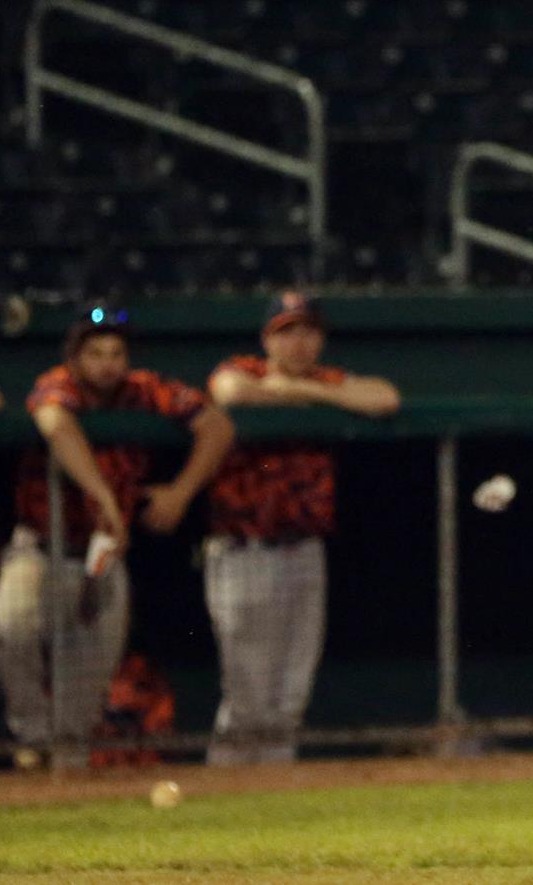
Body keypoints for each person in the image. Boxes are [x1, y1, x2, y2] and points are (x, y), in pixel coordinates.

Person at [0, 302, 234, 769]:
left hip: (103, 554)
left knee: (91, 673)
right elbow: (56, 424)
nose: (107, 364)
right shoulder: (58, 384)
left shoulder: (143, 388)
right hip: (41, 548)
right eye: (95, 353)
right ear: (75, 357)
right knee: (10, 630)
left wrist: (180, 492)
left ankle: (69, 764)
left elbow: (217, 425)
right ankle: (33, 736)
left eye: (115, 353)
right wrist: (102, 496)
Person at [203, 292, 400, 764]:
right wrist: (317, 397)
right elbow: (229, 392)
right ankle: (227, 788)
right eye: (287, 331)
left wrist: (310, 393)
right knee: (247, 697)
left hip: (304, 549)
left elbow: (385, 398)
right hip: (244, 550)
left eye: (309, 331)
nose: (299, 342)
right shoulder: (244, 370)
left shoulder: (321, 380)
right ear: (268, 339)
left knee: (291, 695)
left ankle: (273, 791)